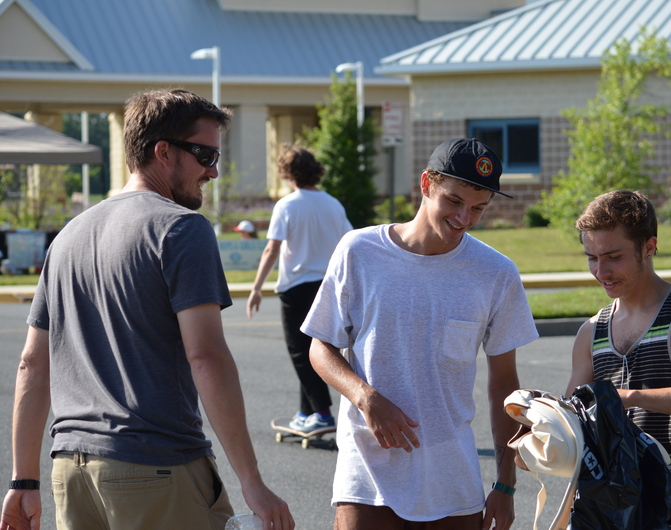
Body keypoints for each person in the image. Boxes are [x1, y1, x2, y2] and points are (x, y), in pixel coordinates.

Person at [0, 89, 294, 530]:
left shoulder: (66, 238)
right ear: (163, 151)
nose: (213, 171)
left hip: (72, 472)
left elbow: (30, 364)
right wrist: (252, 482)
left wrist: (23, 479)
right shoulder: (181, 228)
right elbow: (206, 357)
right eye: (205, 155)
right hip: (157, 468)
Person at [301, 138, 539, 529]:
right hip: (368, 477)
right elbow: (320, 347)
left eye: (478, 208)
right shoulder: (359, 250)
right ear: (426, 184)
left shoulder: (496, 273)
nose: (465, 218)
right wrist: (366, 398)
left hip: (453, 483)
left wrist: (506, 483)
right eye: (454, 201)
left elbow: (504, 387)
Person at [565, 189, 671, 528]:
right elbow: (576, 415)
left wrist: (631, 399)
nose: (601, 271)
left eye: (614, 257)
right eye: (591, 258)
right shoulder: (591, 332)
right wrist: (539, 433)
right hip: (616, 511)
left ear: (649, 246)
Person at [247, 143, 352, 433]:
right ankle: (306, 413)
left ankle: (322, 413)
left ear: (287, 173)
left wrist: (257, 287)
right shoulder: (333, 204)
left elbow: (272, 249)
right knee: (319, 348)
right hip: (328, 286)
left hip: (296, 288)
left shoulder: (288, 205)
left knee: (300, 352)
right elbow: (349, 242)